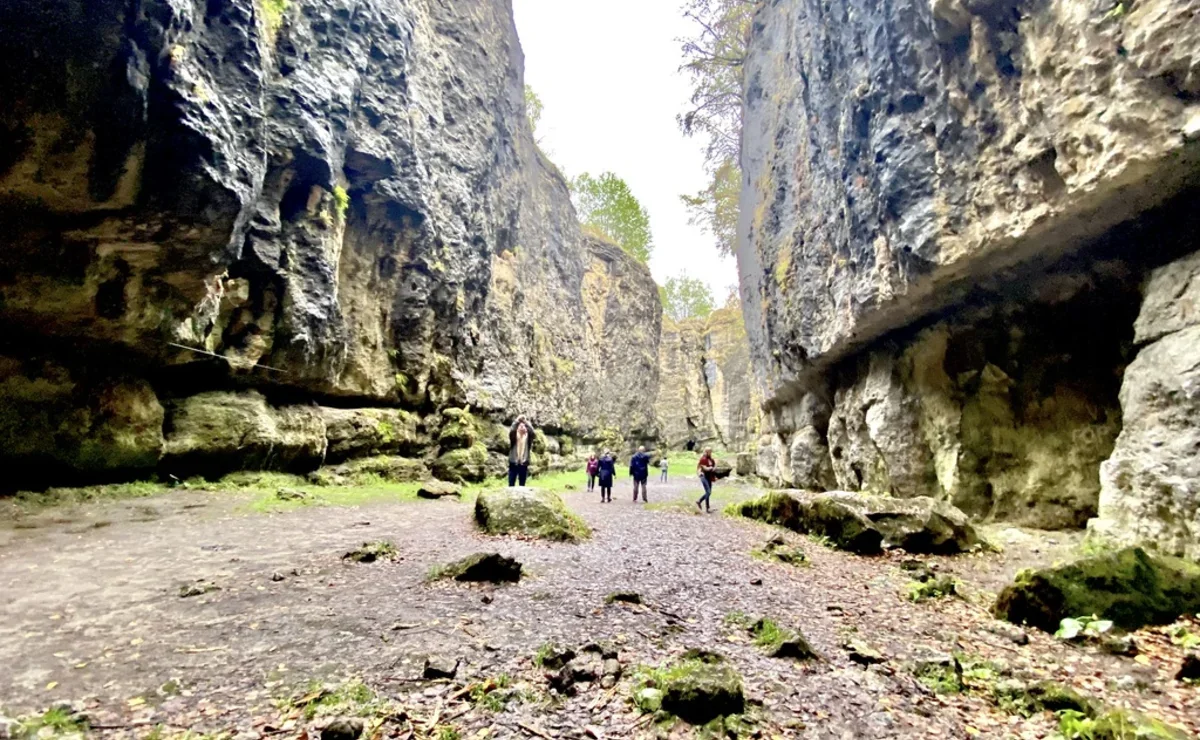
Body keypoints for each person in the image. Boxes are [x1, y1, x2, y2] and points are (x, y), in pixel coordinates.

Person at [508, 415, 535, 486]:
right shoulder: (514, 436)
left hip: (524, 463)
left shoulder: (528, 438)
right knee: (511, 483)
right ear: (517, 428)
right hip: (513, 462)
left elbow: (532, 432)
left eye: (524, 426)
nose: (522, 427)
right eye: (520, 426)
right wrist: (517, 420)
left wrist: (526, 422)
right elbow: (512, 430)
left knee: (522, 485)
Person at [697, 447, 718, 513]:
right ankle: (699, 501)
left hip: (709, 477)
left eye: (710, 452)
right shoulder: (703, 459)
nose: (710, 453)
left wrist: (715, 468)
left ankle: (707, 508)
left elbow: (714, 468)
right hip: (704, 477)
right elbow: (705, 468)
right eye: (709, 452)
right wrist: (711, 468)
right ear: (706, 452)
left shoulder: (711, 460)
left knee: (708, 493)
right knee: (708, 492)